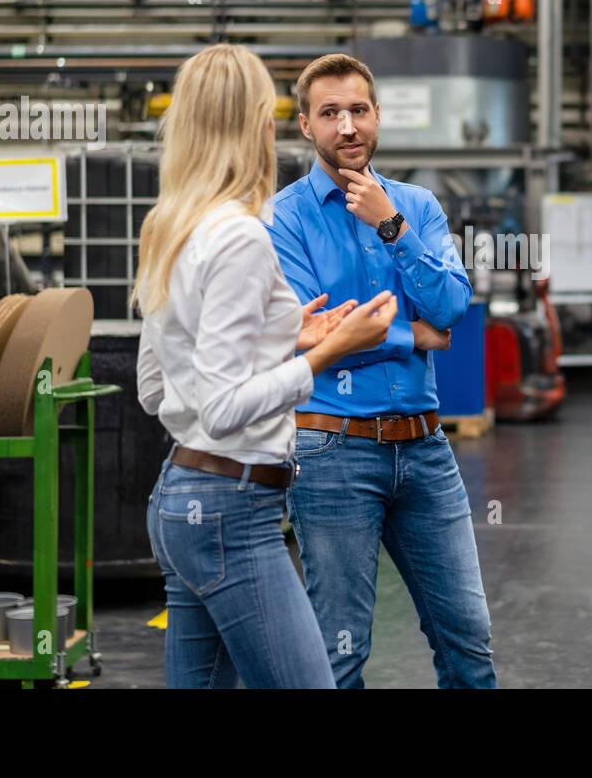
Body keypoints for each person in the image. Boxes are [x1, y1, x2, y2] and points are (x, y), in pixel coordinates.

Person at [135, 43, 398, 689]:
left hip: (180, 498)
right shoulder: (240, 235)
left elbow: (155, 388)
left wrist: (283, 337)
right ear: (255, 122)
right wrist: (330, 352)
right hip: (234, 509)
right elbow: (225, 410)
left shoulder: (171, 225)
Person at [265, 52, 497, 689]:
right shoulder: (284, 217)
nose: (347, 127)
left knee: (469, 643)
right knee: (340, 655)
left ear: (378, 117)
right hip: (332, 450)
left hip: (426, 449)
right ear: (307, 126)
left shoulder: (416, 206)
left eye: (358, 111)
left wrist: (390, 227)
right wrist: (413, 334)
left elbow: (453, 306)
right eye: (330, 113)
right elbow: (313, 337)